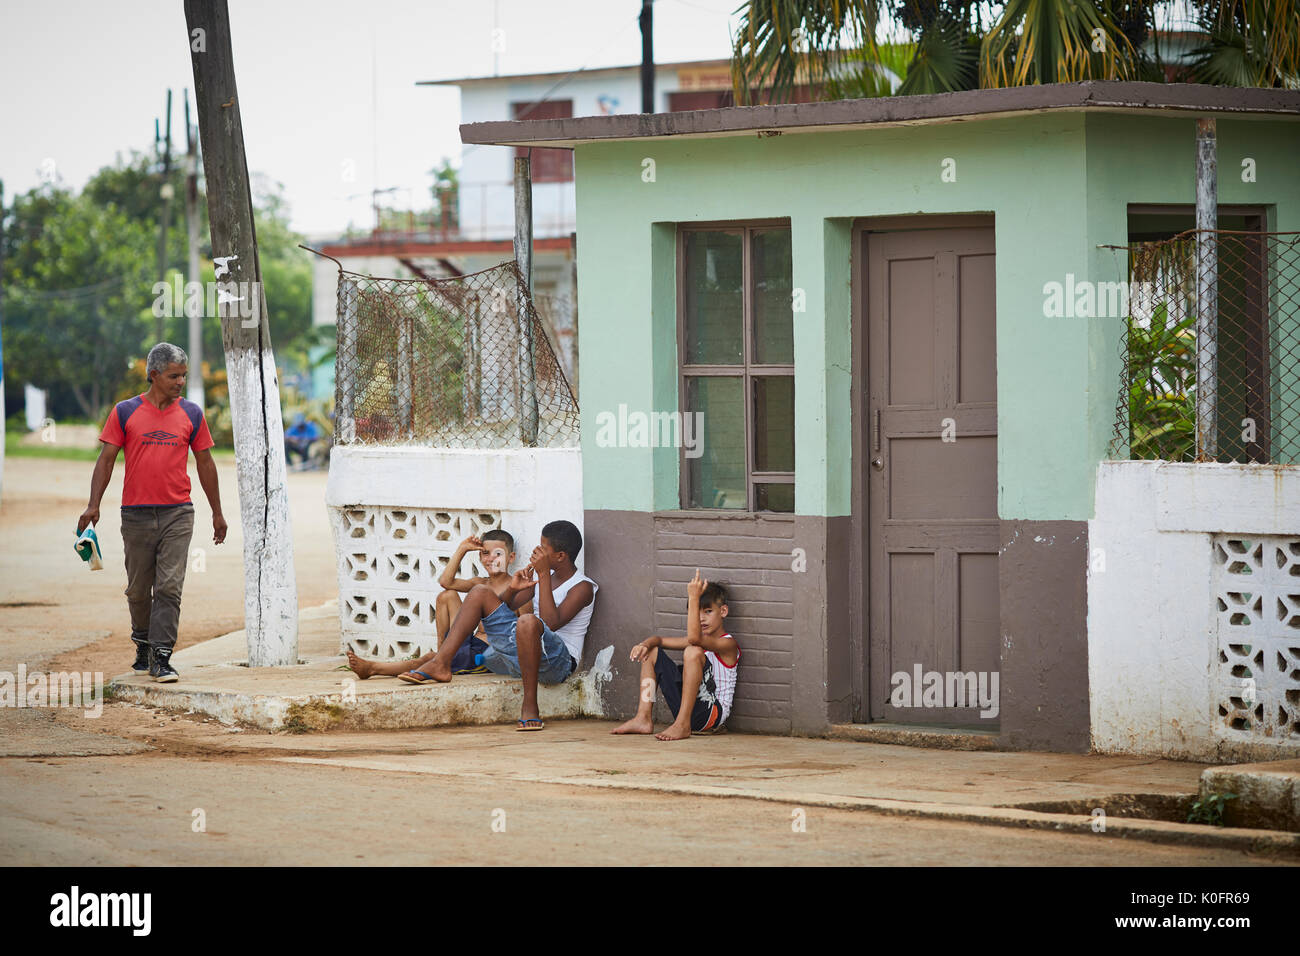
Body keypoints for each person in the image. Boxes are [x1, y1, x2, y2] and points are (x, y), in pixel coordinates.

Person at [347, 519, 597, 731]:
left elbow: (550, 623)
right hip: (519, 653)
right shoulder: (543, 578)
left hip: (557, 662)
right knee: (479, 592)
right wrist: (513, 588)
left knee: (528, 621)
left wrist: (542, 576)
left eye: (543, 548)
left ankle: (529, 705)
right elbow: (503, 609)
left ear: (561, 556)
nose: (536, 552)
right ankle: (441, 663)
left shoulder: (582, 587)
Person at [78, 343, 227, 683]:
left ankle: (162, 655)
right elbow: (106, 459)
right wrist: (93, 504)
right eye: (174, 376)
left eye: (184, 376)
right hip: (136, 515)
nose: (180, 382)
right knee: (137, 589)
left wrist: (217, 512)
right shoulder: (125, 412)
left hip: (178, 514)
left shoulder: (192, 414)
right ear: (154, 375)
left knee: (170, 587)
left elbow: (205, 462)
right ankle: (142, 641)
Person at [611, 571, 738, 741]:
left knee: (693, 650)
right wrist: (644, 645)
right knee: (652, 652)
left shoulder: (728, 644)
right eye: (696, 612)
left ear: (723, 611)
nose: (701, 618)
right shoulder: (700, 641)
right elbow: (659, 640)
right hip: (691, 708)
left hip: (711, 714)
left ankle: (682, 725)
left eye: (708, 611)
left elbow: (694, 639)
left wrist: (693, 598)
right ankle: (643, 718)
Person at [435, 530, 517, 673]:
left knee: (424, 660)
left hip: (485, 651)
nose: (491, 559)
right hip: (468, 642)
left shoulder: (516, 588)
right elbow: (445, 582)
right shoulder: (480, 583)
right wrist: (463, 549)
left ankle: (439, 661)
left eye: (498, 554)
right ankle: (441, 653)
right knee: (447, 595)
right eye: (486, 553)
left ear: (511, 558)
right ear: (480, 556)